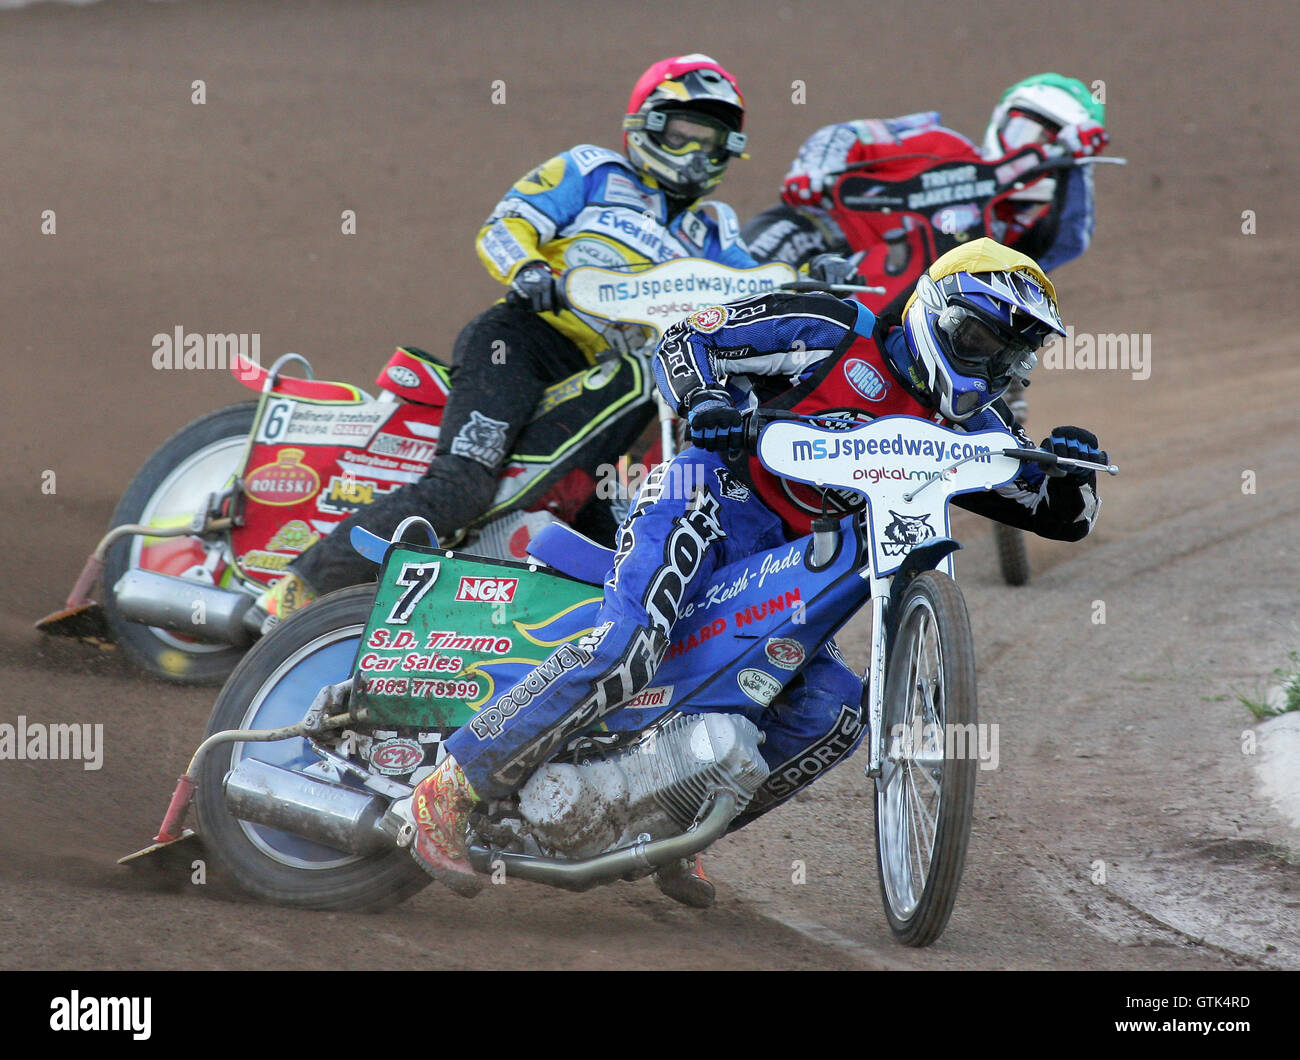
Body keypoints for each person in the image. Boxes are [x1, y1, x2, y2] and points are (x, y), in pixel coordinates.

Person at [397, 238, 1109, 907]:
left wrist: (1073, 470)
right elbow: (688, 338)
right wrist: (706, 398)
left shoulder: (974, 427)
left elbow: (1057, 515)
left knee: (831, 714)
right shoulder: (830, 325)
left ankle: (667, 829)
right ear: (934, 311)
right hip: (703, 501)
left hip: (788, 568)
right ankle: (450, 787)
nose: (988, 368)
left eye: (1008, 358)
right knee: (630, 643)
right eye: (981, 342)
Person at [252, 55, 766, 629]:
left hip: (621, 385)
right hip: (525, 342)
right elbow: (506, 222)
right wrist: (526, 269)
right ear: (647, 124)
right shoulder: (594, 171)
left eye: (711, 138)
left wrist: (813, 275)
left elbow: (755, 291)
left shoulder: (713, 229)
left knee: (602, 529)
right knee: (462, 487)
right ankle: (295, 592)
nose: (696, 150)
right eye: (684, 131)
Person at [742, 72, 1110, 289]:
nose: (1032, 149)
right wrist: (816, 169)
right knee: (772, 247)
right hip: (825, 249)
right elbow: (851, 134)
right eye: (1025, 131)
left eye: (1055, 144)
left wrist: (1077, 168)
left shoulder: (1018, 230)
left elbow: (1069, 242)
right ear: (999, 121)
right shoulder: (939, 143)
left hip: (888, 322)